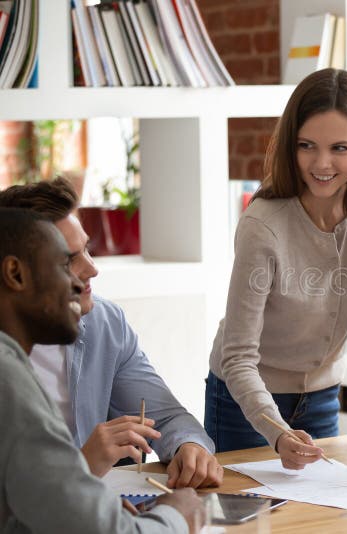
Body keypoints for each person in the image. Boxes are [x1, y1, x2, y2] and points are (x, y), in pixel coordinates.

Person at [205, 68, 347, 468]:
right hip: (243, 402)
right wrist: (277, 433)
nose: (322, 163)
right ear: (290, 145)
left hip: (321, 398)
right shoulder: (263, 224)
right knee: (244, 508)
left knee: (322, 506)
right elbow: (238, 356)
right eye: (307, 146)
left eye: (340, 148)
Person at [0, 178, 221, 489]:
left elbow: (167, 419)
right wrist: (82, 465)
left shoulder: (104, 323)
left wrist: (190, 447)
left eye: (86, 249)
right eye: (67, 260)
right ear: (16, 273)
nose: (92, 268)